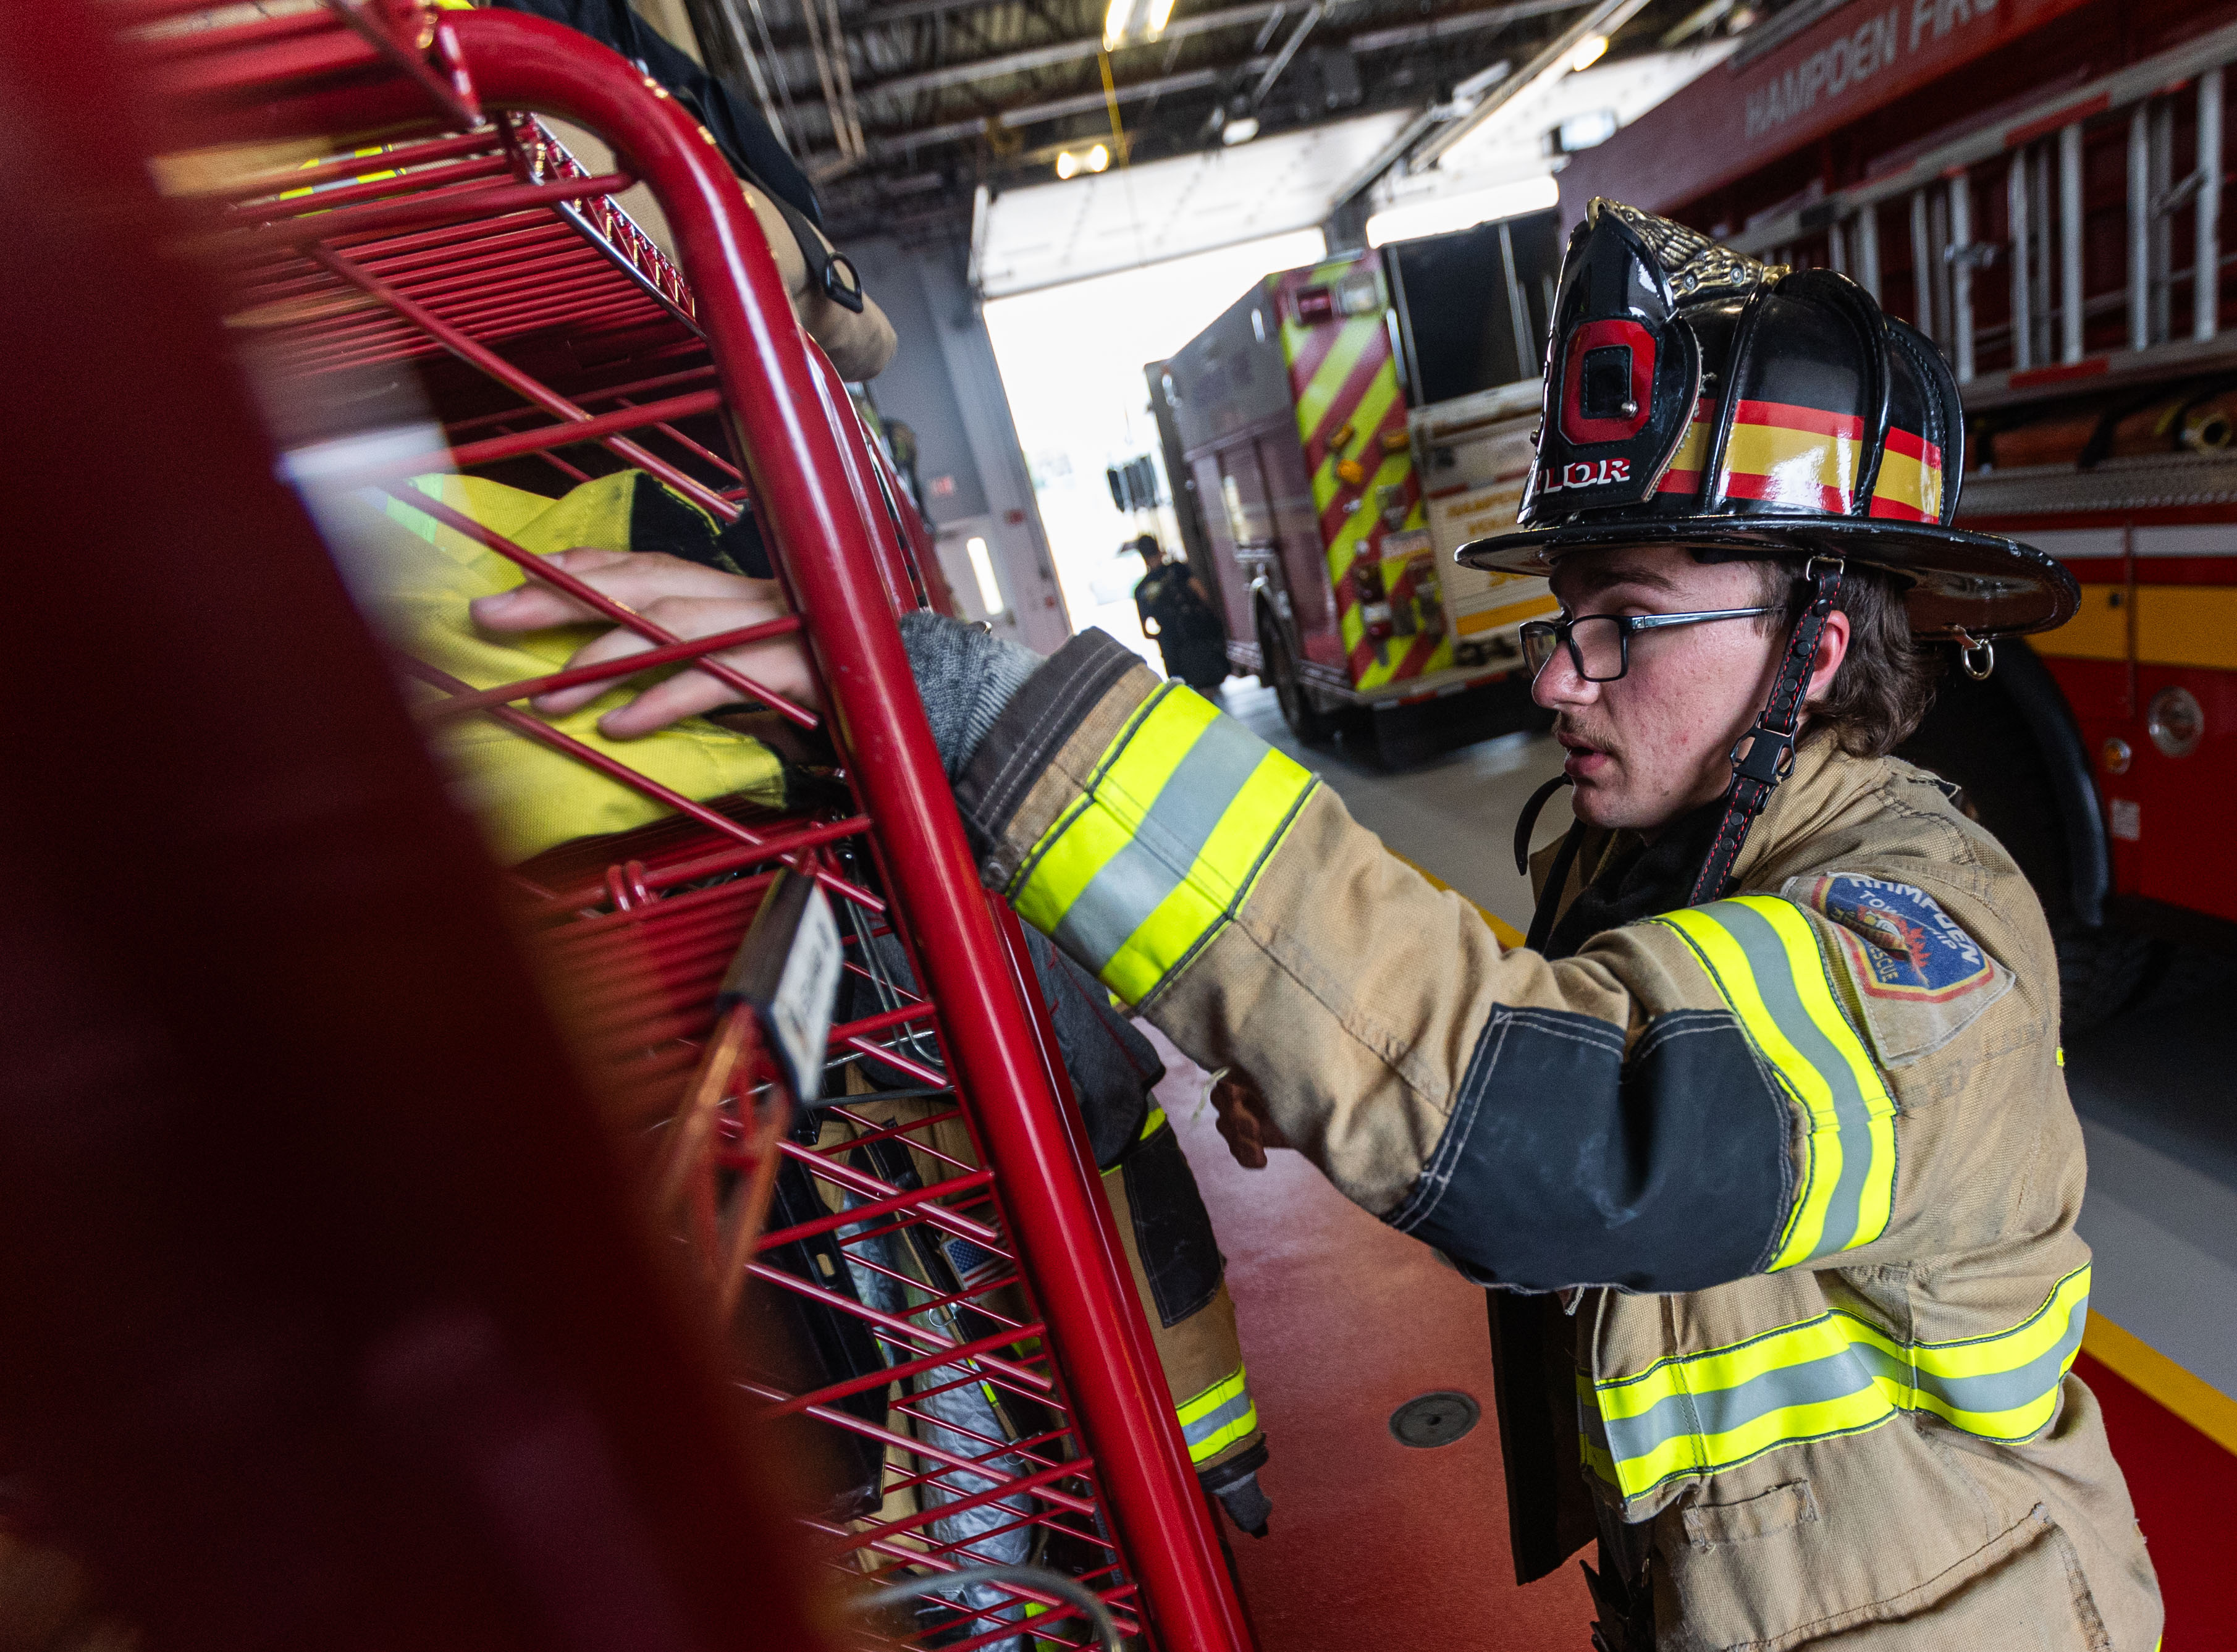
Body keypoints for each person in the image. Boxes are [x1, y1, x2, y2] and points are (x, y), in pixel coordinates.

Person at [465, 200, 2160, 1649]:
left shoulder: (1926, 940)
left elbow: (1573, 1119)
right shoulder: (1653, 862)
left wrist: (967, 711)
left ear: (1810, 645)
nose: (1555, 673)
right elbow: (1501, 1036)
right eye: (1562, 615)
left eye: (1624, 621)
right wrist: (1311, 1051)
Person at [1129, 533, 1231, 692]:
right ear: (1159, 549)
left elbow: (1147, 630)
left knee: (1185, 687)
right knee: (1210, 684)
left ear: (1143, 557)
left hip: (1173, 645)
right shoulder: (1178, 569)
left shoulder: (1142, 590)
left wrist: (1162, 636)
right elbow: (1202, 593)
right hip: (1197, 634)